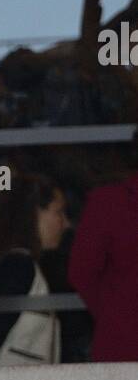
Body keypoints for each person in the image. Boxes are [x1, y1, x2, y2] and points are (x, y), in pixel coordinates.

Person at [0, 173, 68, 366]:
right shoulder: (18, 267)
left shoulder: (20, 266)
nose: (64, 223)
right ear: (35, 214)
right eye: (58, 212)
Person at [68, 131, 138, 361]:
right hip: (124, 347)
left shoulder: (108, 202)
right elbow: (81, 272)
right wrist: (116, 312)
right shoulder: (109, 203)